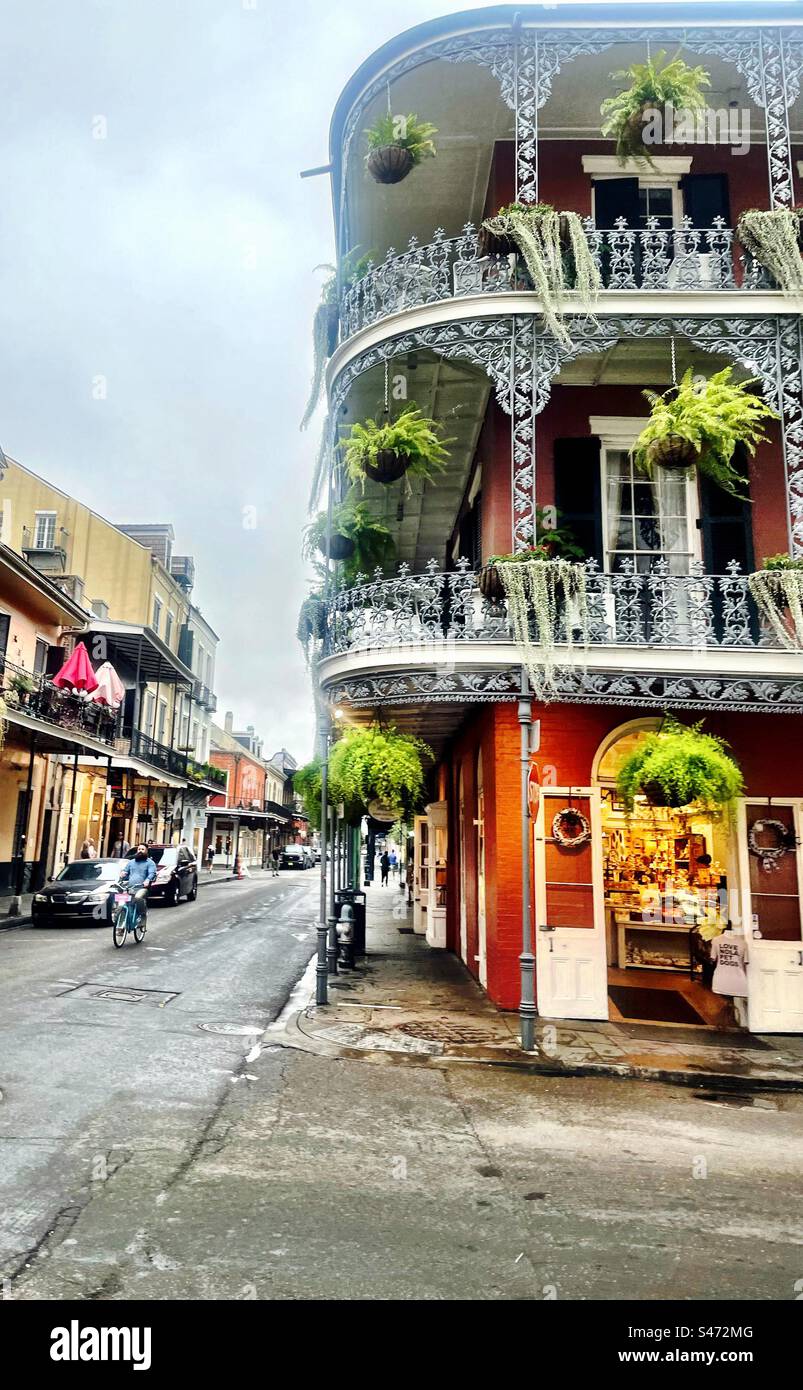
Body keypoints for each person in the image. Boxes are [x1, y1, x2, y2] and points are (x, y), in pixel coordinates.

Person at [118, 845, 157, 929]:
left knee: (138, 897)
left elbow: (152, 873)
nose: (140, 851)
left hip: (142, 888)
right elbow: (125, 872)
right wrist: (123, 874)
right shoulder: (131, 862)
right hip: (130, 888)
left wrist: (148, 880)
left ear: (146, 851)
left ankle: (142, 917)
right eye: (139, 849)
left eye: (142, 849)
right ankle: (120, 926)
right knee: (121, 903)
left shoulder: (150, 863)